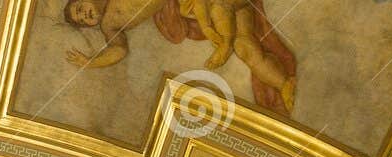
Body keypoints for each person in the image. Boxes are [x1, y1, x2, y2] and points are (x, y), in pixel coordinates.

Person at [63, 0, 296, 115]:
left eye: (80, 9)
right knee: (244, 46)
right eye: (83, 20)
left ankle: (223, 43)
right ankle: (284, 82)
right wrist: (91, 62)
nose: (86, 16)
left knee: (218, 11)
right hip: (190, 6)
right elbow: (119, 50)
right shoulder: (109, 25)